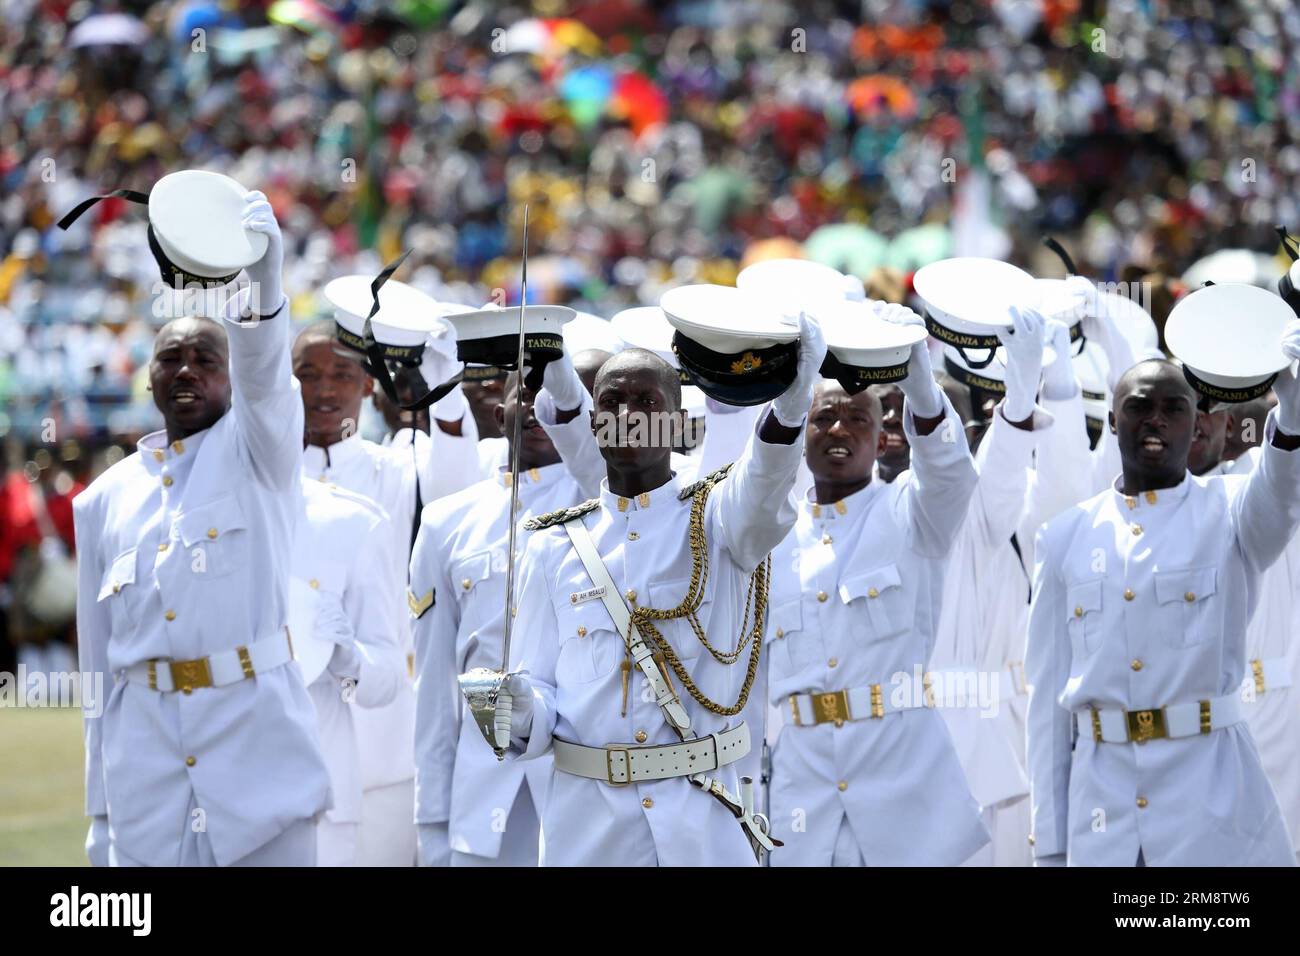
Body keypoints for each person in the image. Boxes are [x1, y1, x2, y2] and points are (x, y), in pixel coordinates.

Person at [498, 314, 826, 866]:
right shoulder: (554, 545)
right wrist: (517, 705)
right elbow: (541, 688)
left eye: (647, 403)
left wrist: (792, 405)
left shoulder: (719, 519)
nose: (627, 416)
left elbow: (765, 487)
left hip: (701, 823)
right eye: (612, 402)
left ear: (677, 424)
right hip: (589, 829)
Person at [74, 192, 331, 866]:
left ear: (230, 378)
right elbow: (96, 667)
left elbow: (269, 381)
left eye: (206, 360)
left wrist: (263, 285)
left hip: (259, 761)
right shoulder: (103, 500)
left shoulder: (259, 453)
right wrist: (99, 813)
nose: (186, 370)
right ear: (148, 377)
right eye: (170, 359)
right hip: (146, 777)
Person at [1026, 344, 1300, 867]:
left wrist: (1292, 415)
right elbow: (1048, 704)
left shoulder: (1231, 510)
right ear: (1112, 419)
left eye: (1174, 408)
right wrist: (1051, 842)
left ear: (1197, 423)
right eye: (1139, 406)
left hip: (1208, 795)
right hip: (1101, 804)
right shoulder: (1064, 536)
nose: (1156, 420)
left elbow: (1282, 498)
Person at [765, 303, 987, 866]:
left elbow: (951, 474)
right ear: (802, 435)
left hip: (900, 774)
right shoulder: (770, 534)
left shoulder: (911, 513)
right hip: (803, 778)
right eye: (823, 418)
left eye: (858, 419)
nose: (839, 429)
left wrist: (923, 394)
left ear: (884, 439)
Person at [410, 364, 588, 867]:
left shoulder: (601, 499)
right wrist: (433, 820)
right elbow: (433, 686)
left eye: (553, 396)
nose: (537, 407)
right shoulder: (448, 520)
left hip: (579, 771)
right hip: (481, 777)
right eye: (524, 395)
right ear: (497, 412)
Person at [292, 478, 405, 866]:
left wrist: (348, 659)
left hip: (320, 795)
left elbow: (389, 675)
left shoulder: (349, 520)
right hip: (222, 788)